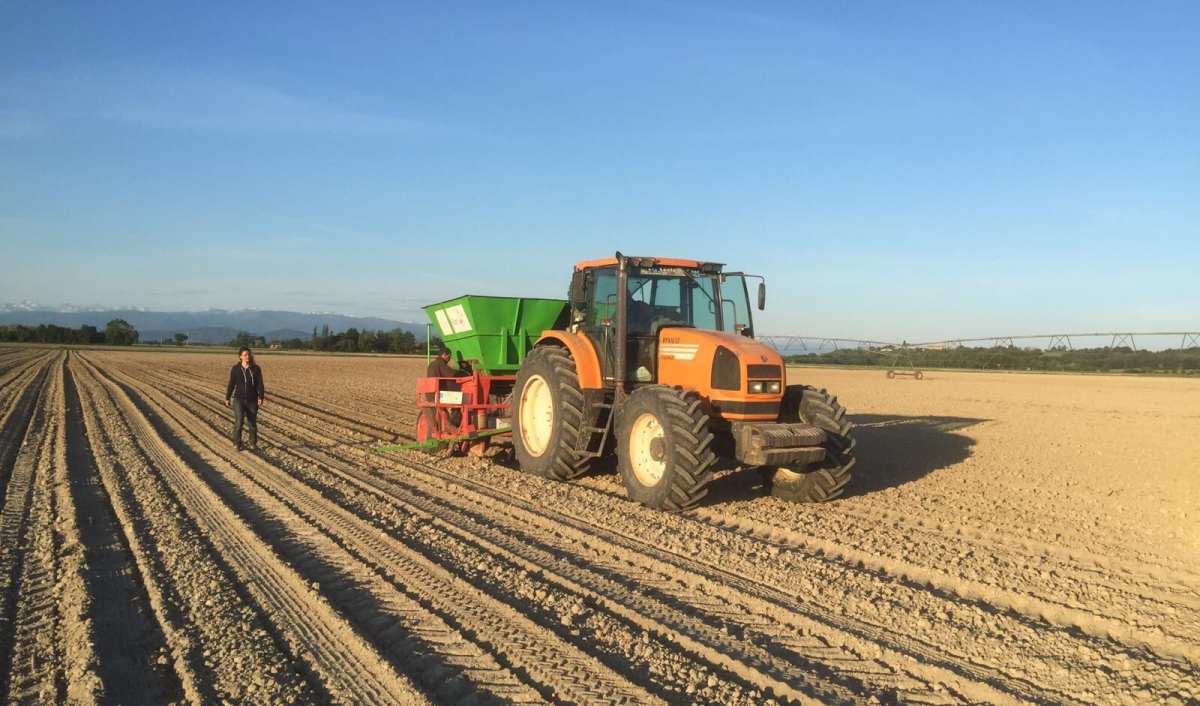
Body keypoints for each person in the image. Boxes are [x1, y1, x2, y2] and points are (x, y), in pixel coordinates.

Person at [225, 346, 265, 451]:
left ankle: (253, 443)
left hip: (252, 400)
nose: (248, 356)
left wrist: (261, 396)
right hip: (239, 399)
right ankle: (237, 443)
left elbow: (259, 384)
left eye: (249, 354)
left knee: (252, 423)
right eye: (245, 355)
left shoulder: (256, 369)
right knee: (239, 421)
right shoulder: (236, 369)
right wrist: (227, 397)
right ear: (240, 357)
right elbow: (231, 384)